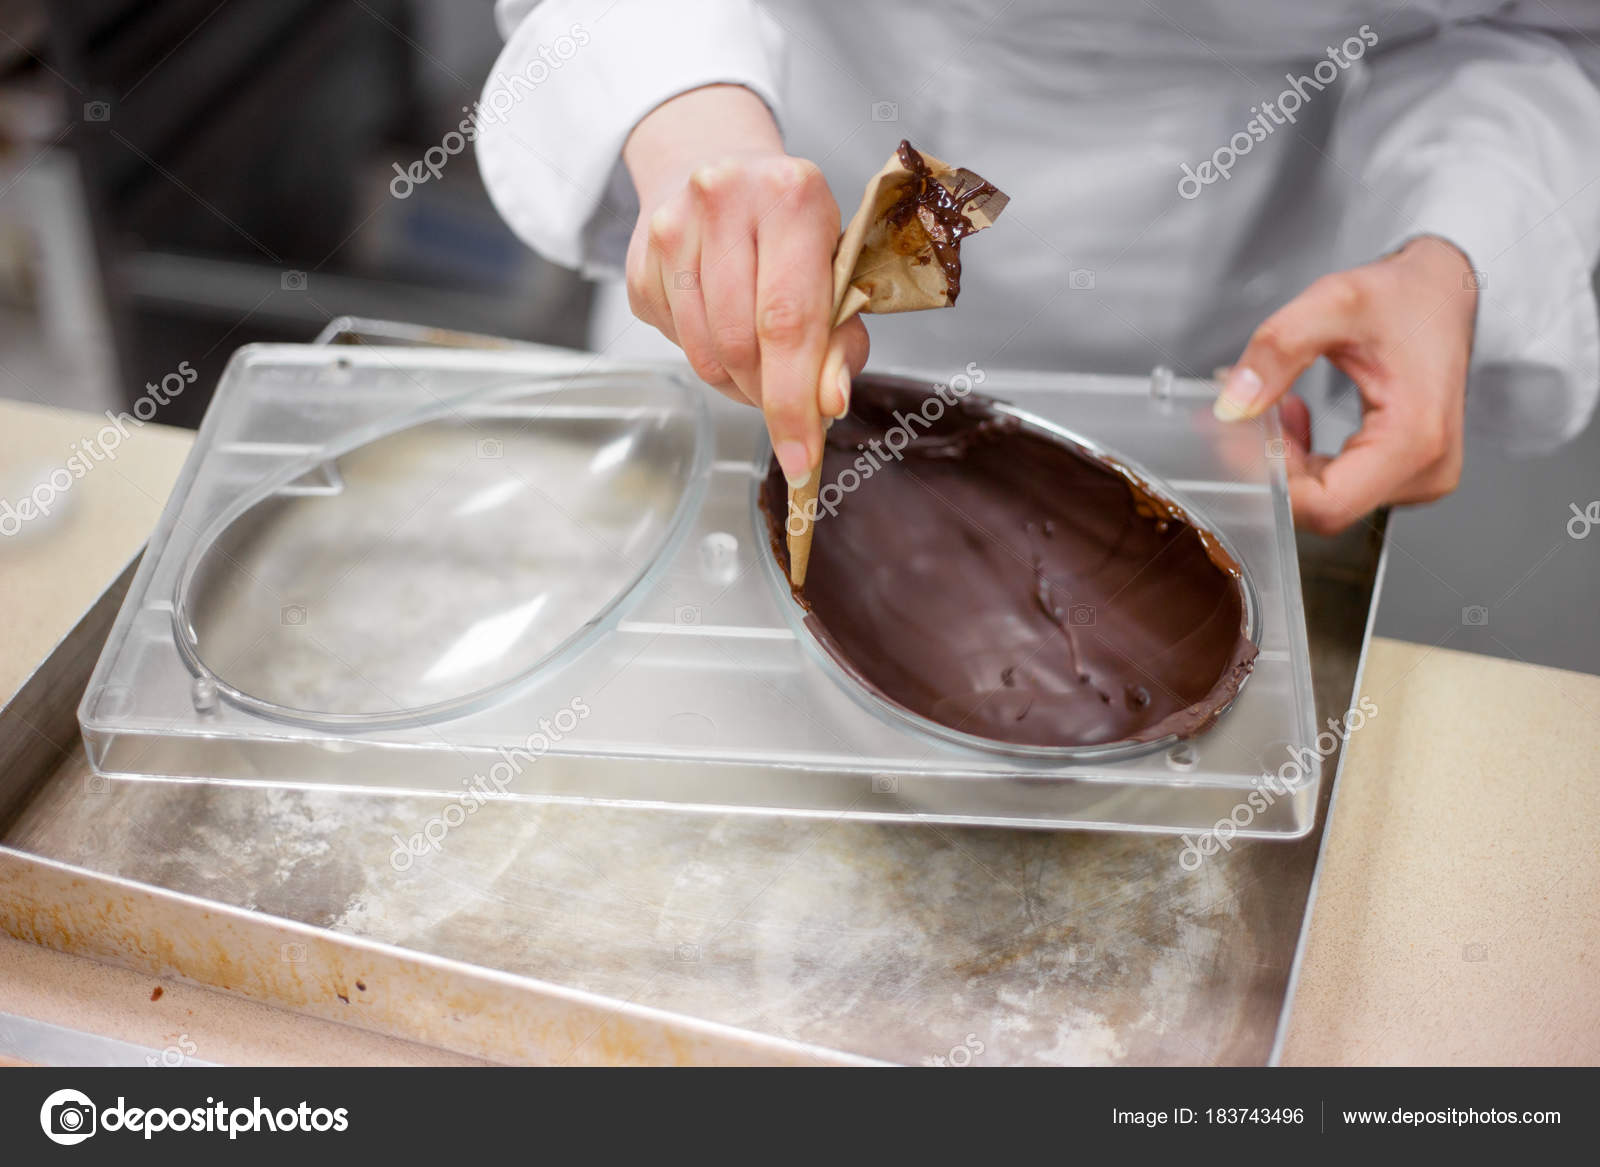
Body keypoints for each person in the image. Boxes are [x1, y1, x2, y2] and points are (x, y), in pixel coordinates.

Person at [476, 0, 1600, 534]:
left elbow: (1531, 35)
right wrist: (690, 130)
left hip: (1208, 382)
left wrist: (1454, 247)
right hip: (747, 283)